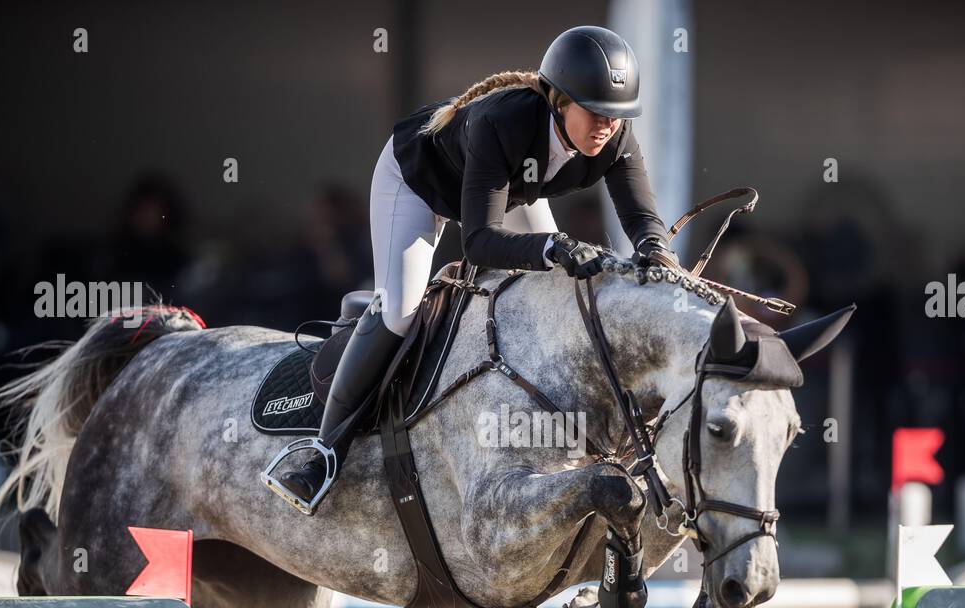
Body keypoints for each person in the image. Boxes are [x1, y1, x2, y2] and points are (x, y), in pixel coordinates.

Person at [269, 25, 681, 514]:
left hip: (507, 190)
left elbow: (640, 217)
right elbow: (481, 242)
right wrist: (554, 246)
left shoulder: (614, 138)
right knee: (402, 310)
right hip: (417, 184)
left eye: (616, 117)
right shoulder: (501, 122)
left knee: (564, 289)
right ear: (558, 100)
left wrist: (657, 251)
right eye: (595, 113)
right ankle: (321, 453)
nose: (606, 127)